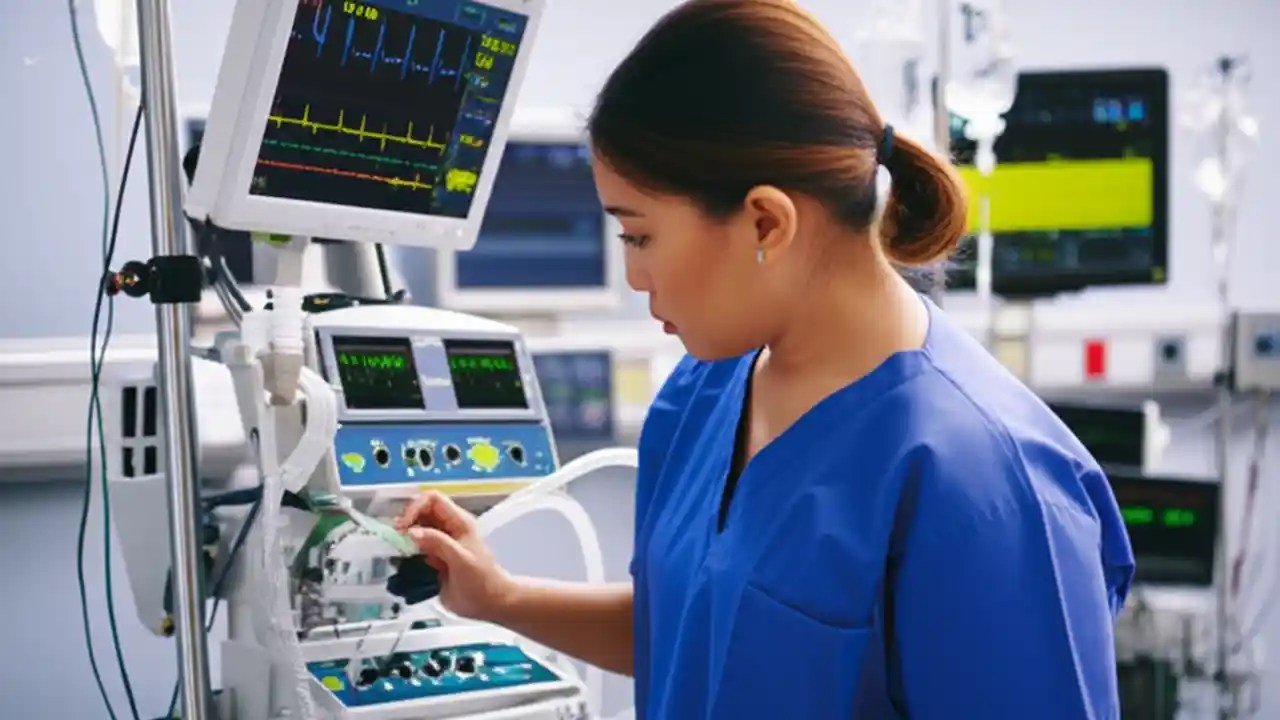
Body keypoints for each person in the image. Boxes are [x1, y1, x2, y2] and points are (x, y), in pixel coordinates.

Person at [396, 0, 1136, 717]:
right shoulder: (702, 395)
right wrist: (499, 597)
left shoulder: (986, 487)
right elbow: (696, 628)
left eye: (639, 236)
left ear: (765, 221)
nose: (634, 275)